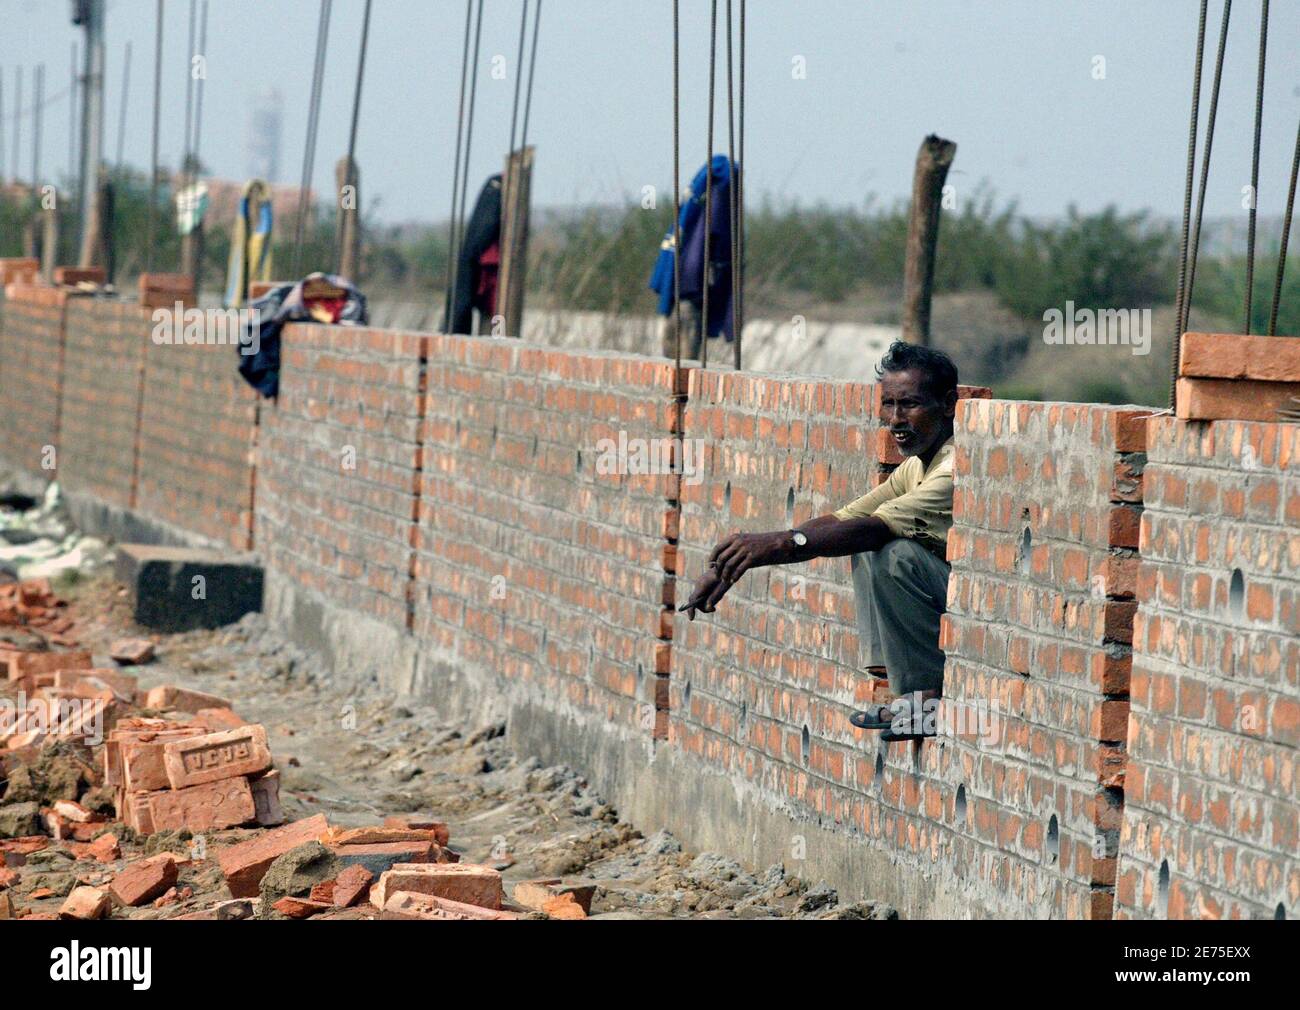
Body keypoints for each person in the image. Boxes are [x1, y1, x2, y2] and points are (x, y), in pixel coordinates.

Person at [679, 341, 959, 740]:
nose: (895, 419)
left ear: (948, 404)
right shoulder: (916, 466)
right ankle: (900, 688)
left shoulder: (952, 469)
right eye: (889, 405)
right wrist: (738, 563)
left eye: (909, 405)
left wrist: (775, 545)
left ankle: (924, 700)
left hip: (974, 613)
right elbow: (844, 517)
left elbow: (872, 527)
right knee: (864, 540)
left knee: (891, 552)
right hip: (942, 600)